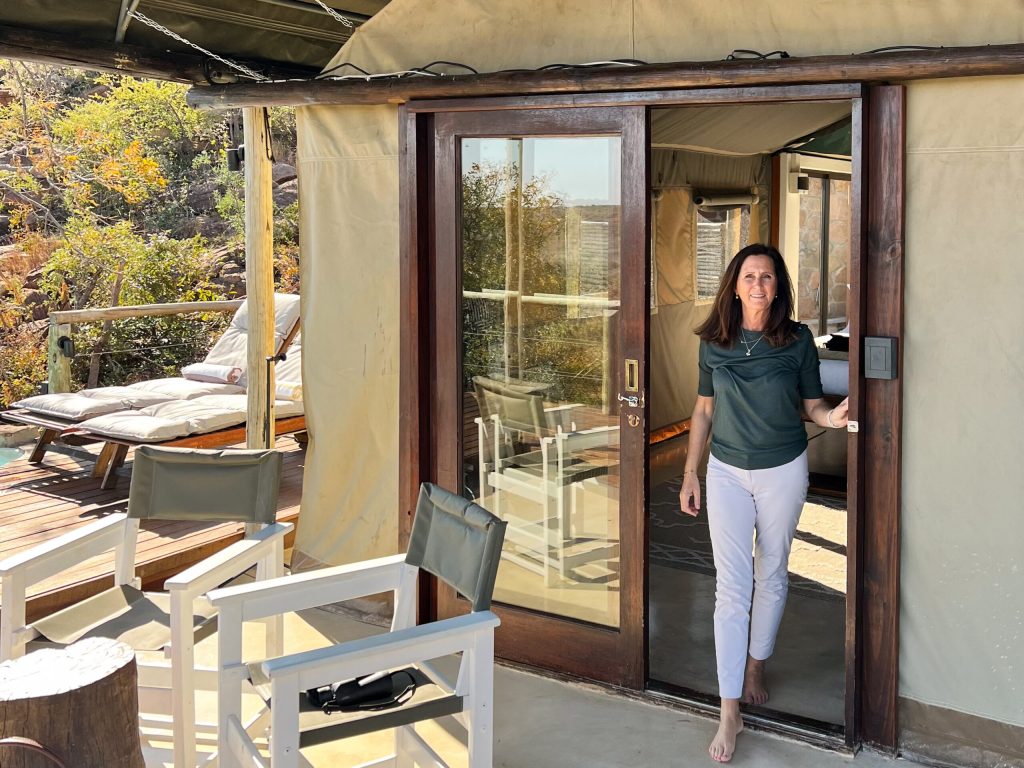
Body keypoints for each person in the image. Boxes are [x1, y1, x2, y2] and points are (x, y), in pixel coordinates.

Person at [678, 243, 849, 763]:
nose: (758, 285)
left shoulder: (796, 341)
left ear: (778, 287)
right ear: (734, 284)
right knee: (731, 589)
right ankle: (729, 709)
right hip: (726, 471)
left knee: (772, 571)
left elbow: (810, 404)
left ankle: (757, 662)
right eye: (749, 276)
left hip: (782, 470)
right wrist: (691, 472)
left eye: (768, 277)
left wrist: (832, 419)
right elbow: (704, 410)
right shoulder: (714, 342)